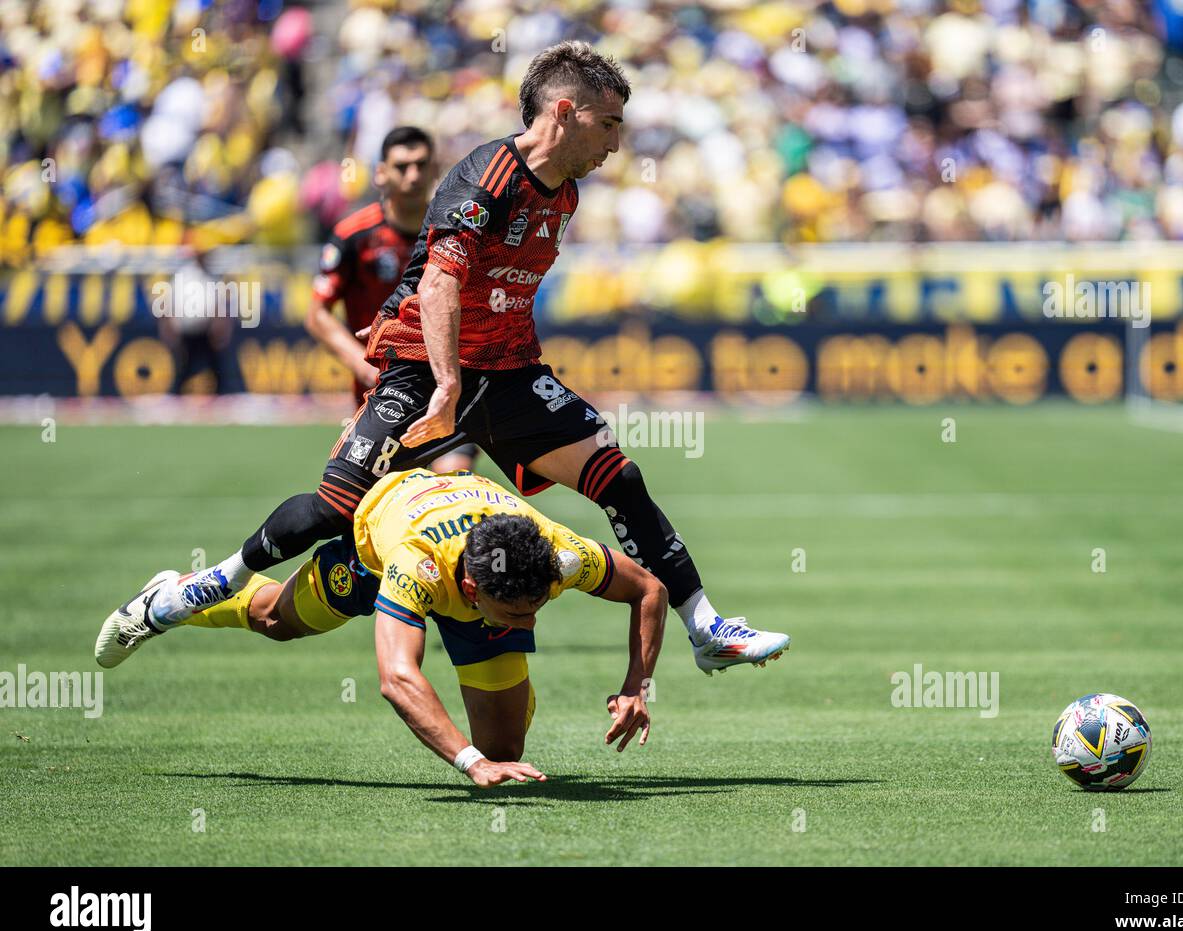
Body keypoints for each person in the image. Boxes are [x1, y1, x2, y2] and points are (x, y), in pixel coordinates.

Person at [99, 40, 789, 677]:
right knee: (332, 510)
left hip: (511, 374)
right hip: (425, 371)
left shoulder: (568, 191)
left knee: (620, 479)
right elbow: (438, 281)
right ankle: (199, 587)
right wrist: (447, 384)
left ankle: (704, 627)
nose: (619, 141)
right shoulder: (485, 176)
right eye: (609, 124)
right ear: (565, 111)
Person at [97, 470, 668, 787]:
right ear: (472, 590)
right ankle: (170, 594)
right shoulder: (411, 566)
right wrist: (469, 765)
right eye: (521, 615)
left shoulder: (556, 554)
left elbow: (650, 589)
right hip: (379, 541)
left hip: (472, 542)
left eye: (537, 606)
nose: (535, 620)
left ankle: (499, 689)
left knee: (504, 749)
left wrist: (636, 687)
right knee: (275, 620)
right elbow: (397, 677)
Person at [307, 125, 479, 471]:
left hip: (446, 386)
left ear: (435, 169)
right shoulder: (353, 235)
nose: (413, 175)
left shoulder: (458, 229)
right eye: (402, 166)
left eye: (422, 164)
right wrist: (363, 366)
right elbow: (317, 314)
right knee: (375, 505)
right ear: (381, 173)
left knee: (454, 481)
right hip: (380, 394)